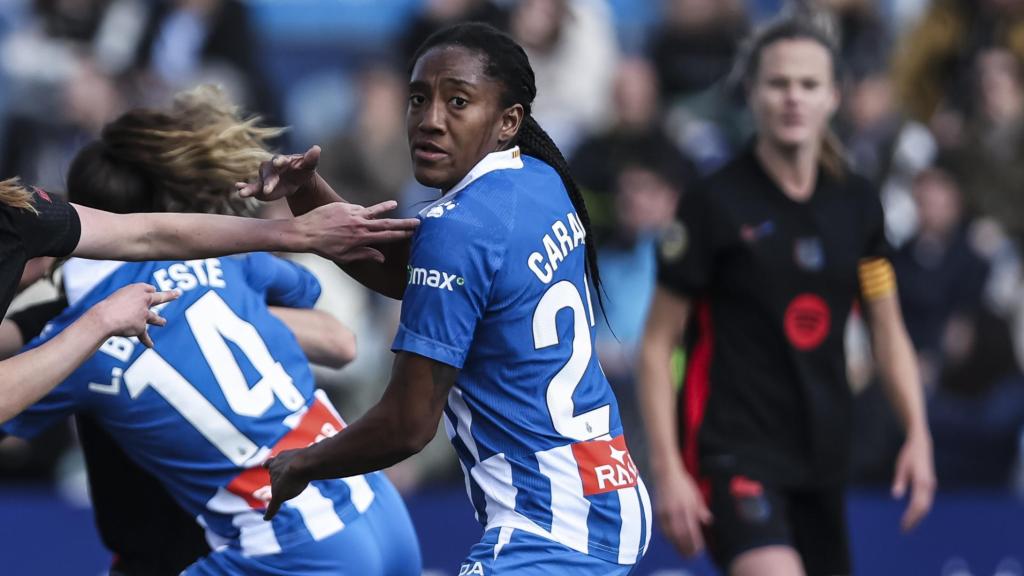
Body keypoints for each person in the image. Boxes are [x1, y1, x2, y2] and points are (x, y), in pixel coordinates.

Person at [243, 22, 652, 575]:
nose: (430, 120)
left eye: (458, 101)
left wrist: (303, 463)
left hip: (548, 523)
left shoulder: (457, 230)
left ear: (509, 120)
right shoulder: (540, 180)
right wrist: (309, 197)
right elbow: (420, 280)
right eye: (418, 99)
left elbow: (407, 425)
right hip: (609, 489)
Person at [2, 86, 422, 576]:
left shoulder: (70, 332)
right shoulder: (226, 263)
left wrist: (98, 328)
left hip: (282, 539)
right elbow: (338, 338)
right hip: (378, 505)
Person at [637, 16, 935, 576]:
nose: (793, 98)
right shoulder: (712, 203)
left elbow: (887, 332)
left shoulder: (858, 205)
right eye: (778, 84)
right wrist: (669, 468)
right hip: (733, 453)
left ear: (833, 96)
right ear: (751, 93)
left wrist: (918, 435)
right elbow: (656, 346)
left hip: (822, 458)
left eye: (808, 84)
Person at [0, 165, 416, 424]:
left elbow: (145, 234)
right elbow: (339, 341)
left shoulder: (17, 218)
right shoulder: (77, 310)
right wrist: (100, 322)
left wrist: (297, 232)